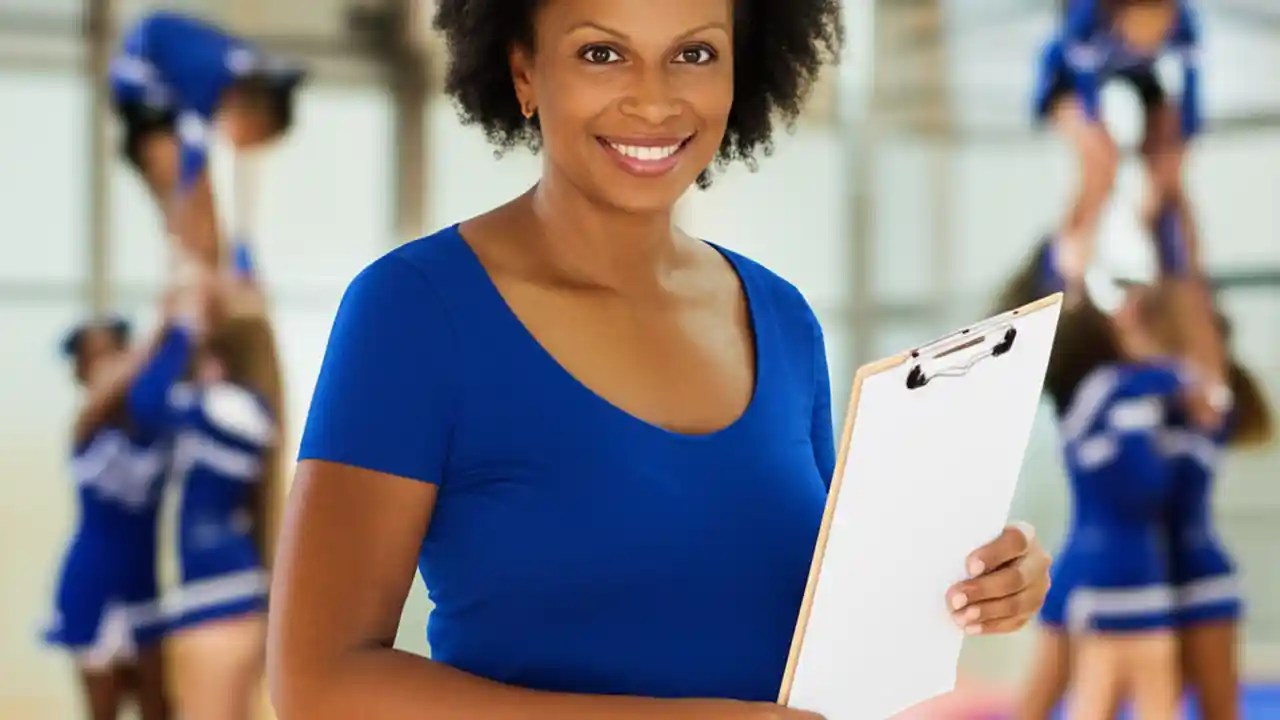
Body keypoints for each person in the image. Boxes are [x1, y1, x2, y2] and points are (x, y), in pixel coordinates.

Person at [266, 2, 1053, 719]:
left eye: (696, 54)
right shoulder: (416, 310)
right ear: (523, 72)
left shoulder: (781, 320)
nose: (653, 98)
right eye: (602, 54)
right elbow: (319, 684)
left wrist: (972, 579)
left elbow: (801, 624)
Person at [124, 272, 282, 720]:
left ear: (221, 358)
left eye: (202, 358)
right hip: (220, 591)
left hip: (219, 596)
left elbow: (145, 402)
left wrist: (182, 324)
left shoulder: (230, 407)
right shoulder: (239, 409)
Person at [45, 313, 181, 720]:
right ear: (81, 373)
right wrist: (166, 327)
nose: (109, 366)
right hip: (93, 586)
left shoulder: (153, 420)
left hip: (143, 585)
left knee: (158, 707)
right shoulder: (85, 426)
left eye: (114, 353)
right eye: (96, 359)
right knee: (103, 711)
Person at [110, 11, 305, 269]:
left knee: (198, 217)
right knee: (192, 210)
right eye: (247, 139)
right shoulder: (210, 82)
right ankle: (193, 266)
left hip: (155, 87)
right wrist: (181, 220)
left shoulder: (239, 69)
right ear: (249, 116)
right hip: (140, 95)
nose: (239, 146)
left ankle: (198, 262)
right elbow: (190, 164)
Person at [1033, 0, 1201, 296]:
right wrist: (1099, 143)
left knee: (1168, 158)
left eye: (1159, 31)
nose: (1153, 39)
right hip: (1068, 80)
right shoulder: (1087, 18)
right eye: (1145, 30)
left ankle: (1173, 258)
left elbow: (1191, 94)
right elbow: (1087, 102)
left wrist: (1171, 159)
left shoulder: (1181, 18)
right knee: (1101, 166)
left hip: (1135, 75)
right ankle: (1062, 273)